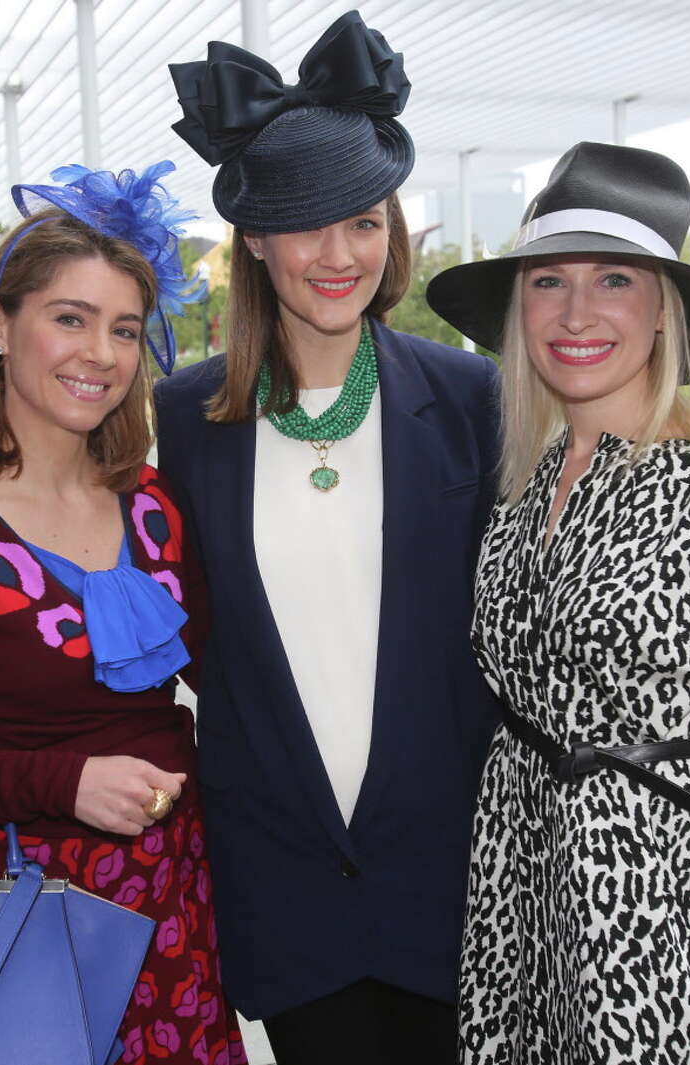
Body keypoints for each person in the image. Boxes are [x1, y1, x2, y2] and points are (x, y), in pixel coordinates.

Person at [426, 141, 690, 1065]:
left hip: (663, 921)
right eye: (547, 281)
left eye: (614, 279)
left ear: (663, 312)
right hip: (520, 902)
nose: (575, 312)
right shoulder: (522, 488)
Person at [157, 11, 502, 1063]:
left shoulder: (465, 394)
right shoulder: (186, 417)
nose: (339, 253)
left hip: (446, 872)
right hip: (286, 876)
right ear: (254, 240)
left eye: (363, 220)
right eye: (306, 225)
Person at [0, 162, 247, 1065]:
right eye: (69, 318)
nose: (100, 355)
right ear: (0, 324)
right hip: (31, 904)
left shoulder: (157, 504)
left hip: (181, 896)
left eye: (122, 329)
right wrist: (62, 780)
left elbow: (224, 676)